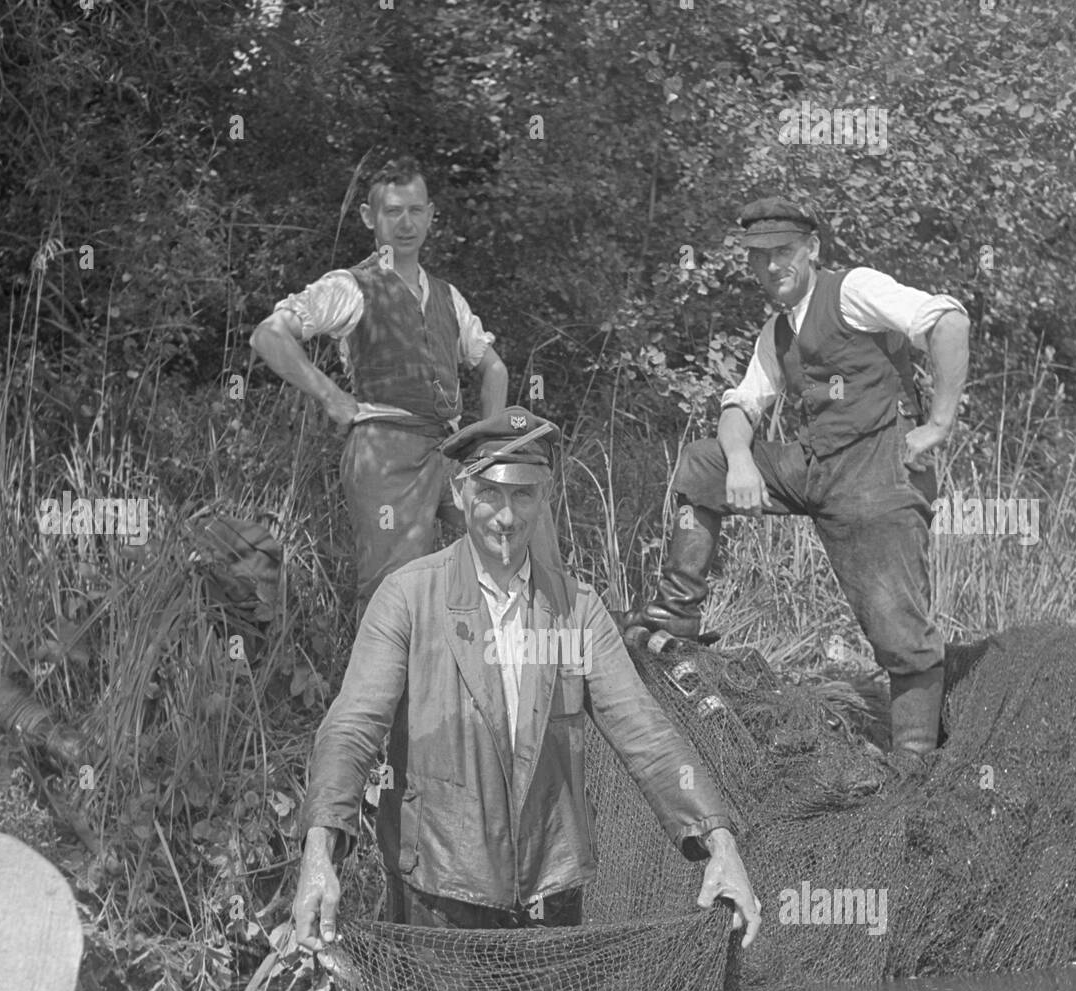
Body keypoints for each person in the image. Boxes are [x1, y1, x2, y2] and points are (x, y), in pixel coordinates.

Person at [291, 407, 761, 948]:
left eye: (524, 495)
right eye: (491, 493)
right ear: (462, 493)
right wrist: (320, 851)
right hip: (438, 890)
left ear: (544, 499)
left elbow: (647, 737)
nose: (506, 517)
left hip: (551, 892)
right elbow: (352, 727)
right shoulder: (407, 597)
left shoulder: (577, 610)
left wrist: (718, 841)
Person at [625, 197, 971, 759]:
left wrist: (939, 424)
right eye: (759, 258)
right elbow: (741, 405)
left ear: (811, 249)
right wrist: (739, 461)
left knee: (900, 634)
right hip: (814, 467)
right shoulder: (776, 332)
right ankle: (674, 617)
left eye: (782, 252)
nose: (770, 267)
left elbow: (948, 319)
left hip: (877, 471)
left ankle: (914, 763)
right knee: (704, 462)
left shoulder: (853, 289)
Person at [251, 156, 509, 612]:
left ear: (431, 215)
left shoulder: (448, 296)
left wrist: (488, 449)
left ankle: (506, 667)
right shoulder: (351, 286)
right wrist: (331, 396)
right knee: (394, 593)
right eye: (393, 212)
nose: (405, 223)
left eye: (415, 210)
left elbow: (494, 369)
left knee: (514, 537)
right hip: (385, 453)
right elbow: (269, 336)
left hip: (451, 453)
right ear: (371, 218)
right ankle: (379, 684)